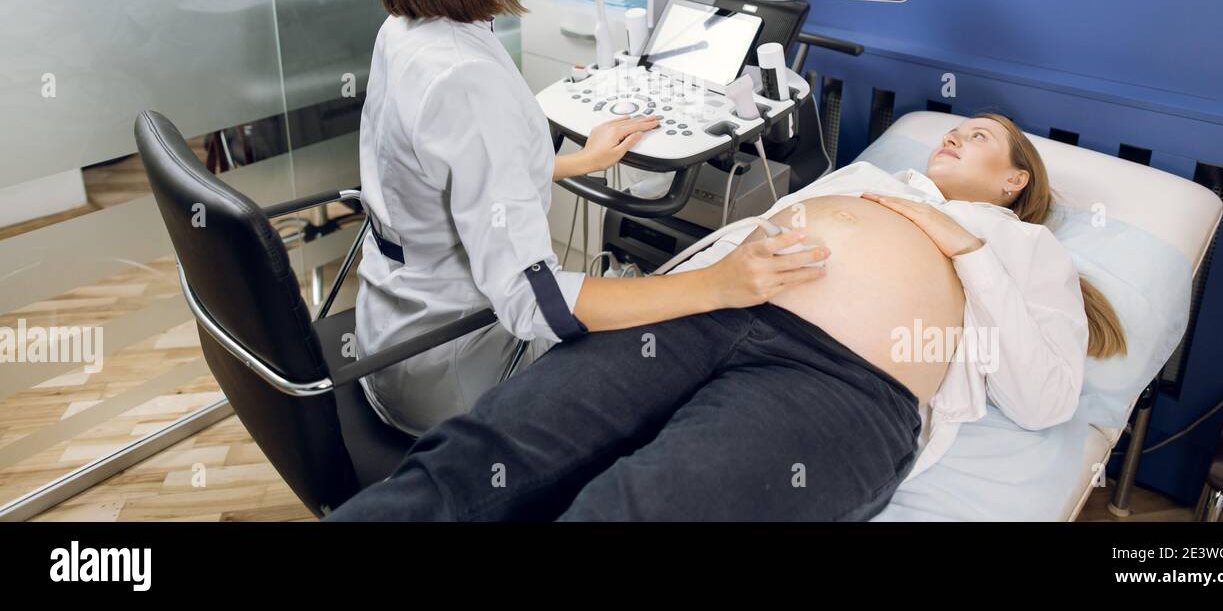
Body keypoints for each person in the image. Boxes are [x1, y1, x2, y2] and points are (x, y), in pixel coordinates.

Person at [328, 113, 1128, 521]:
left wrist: (964, 246)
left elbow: (1049, 395)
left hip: (839, 382)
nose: (955, 131)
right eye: (956, 126)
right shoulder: (864, 175)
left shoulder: (1025, 251)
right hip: (700, 311)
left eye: (979, 136)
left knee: (632, 510)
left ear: (1014, 183)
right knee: (481, 454)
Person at [353, 0, 829, 437]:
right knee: (690, 336)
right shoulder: (466, 77)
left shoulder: (407, 29)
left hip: (389, 342)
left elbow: (445, 180)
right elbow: (533, 303)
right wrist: (719, 283)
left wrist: (576, 161)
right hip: (457, 372)